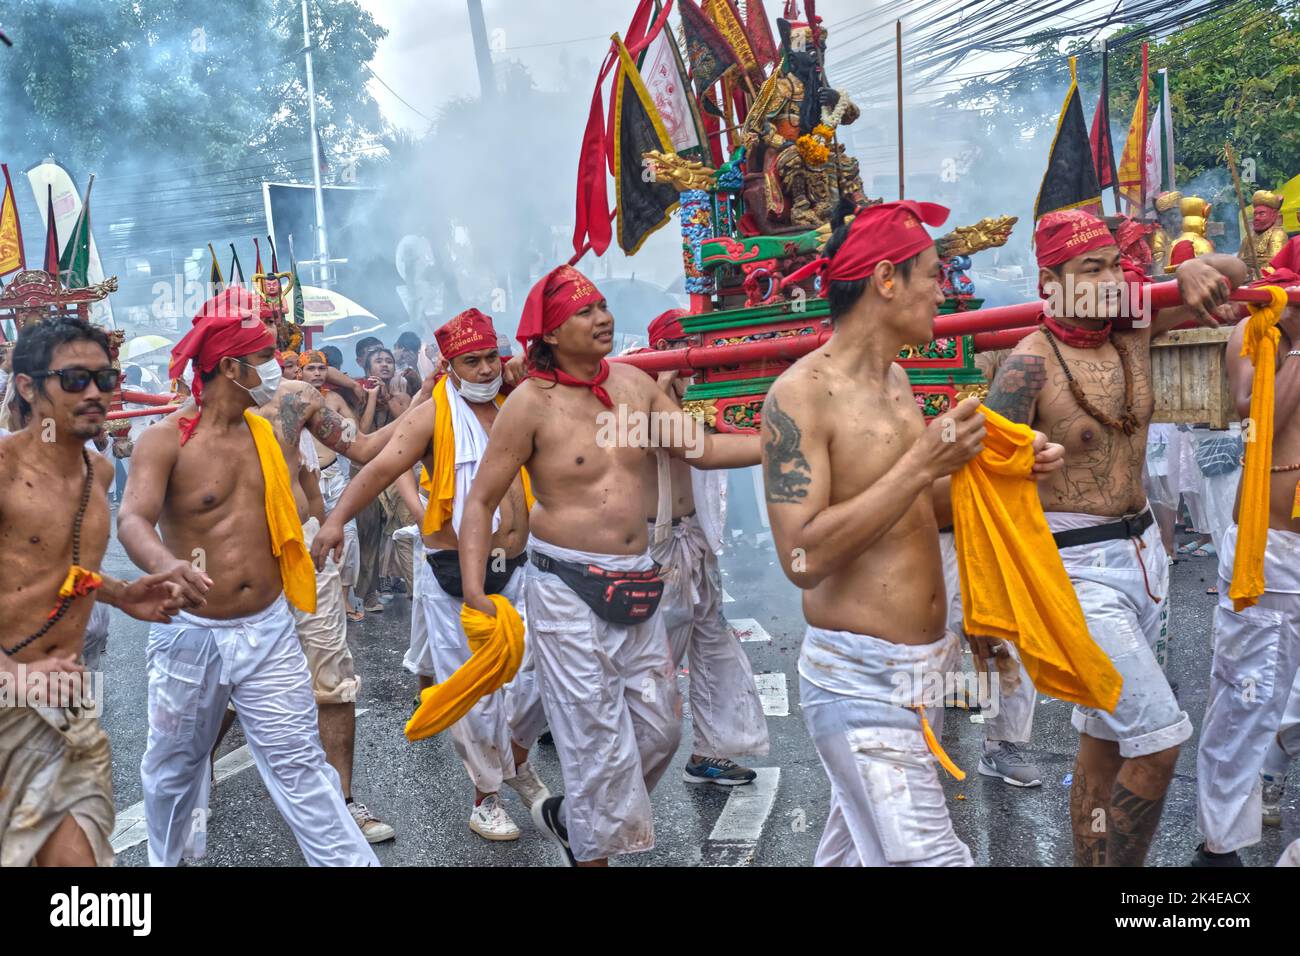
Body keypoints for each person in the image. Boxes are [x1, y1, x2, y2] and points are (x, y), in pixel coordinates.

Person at [762, 201, 1064, 867]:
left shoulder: (897, 380)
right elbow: (802, 555)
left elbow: (913, 508)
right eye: (933, 273)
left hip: (919, 675)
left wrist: (1007, 473)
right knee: (933, 858)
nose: (945, 289)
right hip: (860, 683)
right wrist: (923, 461)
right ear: (885, 279)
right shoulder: (799, 395)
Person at [458, 265, 761, 866]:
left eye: (602, 306)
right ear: (549, 333)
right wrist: (475, 590)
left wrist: (785, 440)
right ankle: (591, 850)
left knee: (659, 732)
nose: (603, 318)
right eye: (585, 311)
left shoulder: (633, 386)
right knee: (595, 742)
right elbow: (482, 500)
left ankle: (573, 819)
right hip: (565, 587)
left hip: (640, 579)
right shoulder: (528, 406)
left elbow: (701, 447)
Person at [984, 207, 1246, 866]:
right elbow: (982, 485)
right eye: (1088, 269)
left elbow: (1240, 273)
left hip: (1147, 560)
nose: (1106, 280)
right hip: (1077, 569)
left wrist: (1188, 267)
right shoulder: (1027, 367)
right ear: (1051, 282)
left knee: (1102, 743)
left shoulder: (1135, 326)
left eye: (1111, 265)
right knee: (1158, 740)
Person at [118, 287, 401, 866]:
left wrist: (432, 400)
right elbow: (132, 519)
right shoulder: (166, 441)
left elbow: (366, 447)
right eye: (266, 353)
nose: (279, 363)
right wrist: (164, 564)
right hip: (190, 635)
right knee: (173, 770)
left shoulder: (271, 429)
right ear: (231, 366)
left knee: (300, 765)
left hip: (268, 628)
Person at [314, 308, 550, 842]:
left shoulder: (520, 400)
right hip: (452, 574)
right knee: (477, 692)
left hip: (519, 564)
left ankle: (515, 763)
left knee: (534, 683)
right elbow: (378, 470)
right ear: (450, 364)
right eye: (474, 361)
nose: (488, 369)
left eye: (492, 356)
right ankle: (485, 797)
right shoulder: (433, 415)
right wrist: (334, 521)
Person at [1, 317, 183, 867]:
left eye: (105, 379)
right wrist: (15, 677)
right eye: (75, 379)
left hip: (65, 704)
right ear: (29, 388)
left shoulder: (97, 472)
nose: (96, 393)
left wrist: (123, 594)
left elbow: (56, 566)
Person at [1193, 272, 1300, 865]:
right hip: (1273, 548)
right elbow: (1253, 416)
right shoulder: (1253, 336)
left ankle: (1279, 760)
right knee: (1244, 702)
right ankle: (1221, 848)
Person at [642, 309, 769, 785]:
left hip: (695, 540)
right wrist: (663, 379)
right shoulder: (640, 402)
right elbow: (684, 445)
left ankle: (711, 751)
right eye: (686, 353)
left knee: (713, 644)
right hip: (657, 551)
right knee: (656, 659)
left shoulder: (700, 399)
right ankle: (620, 776)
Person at [300, 351, 364, 621]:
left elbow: (355, 434)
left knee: (348, 536)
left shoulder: (334, 399)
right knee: (311, 536)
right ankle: (315, 599)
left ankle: (344, 598)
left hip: (334, 474)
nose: (316, 373)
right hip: (306, 481)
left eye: (321, 368)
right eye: (310, 368)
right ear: (298, 373)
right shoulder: (290, 400)